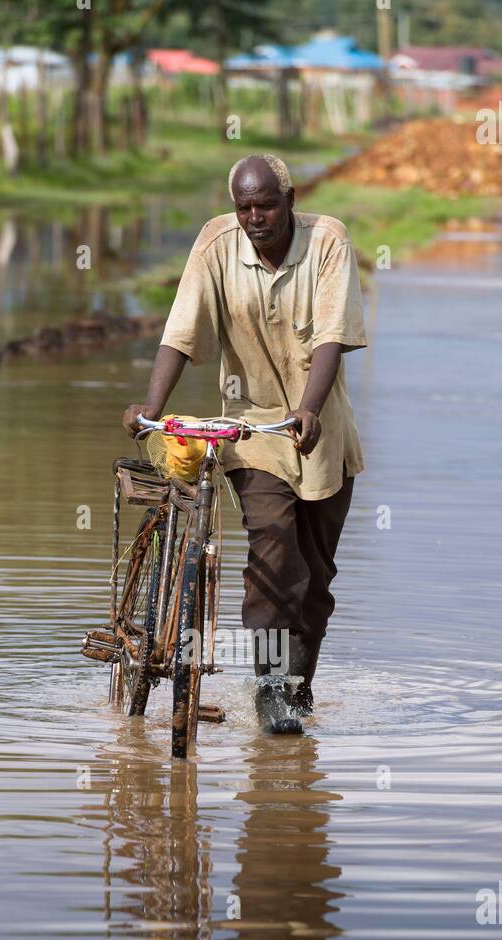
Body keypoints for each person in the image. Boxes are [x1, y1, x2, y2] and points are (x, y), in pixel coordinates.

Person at [123, 152, 366, 734]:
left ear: (290, 200)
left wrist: (308, 408)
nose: (255, 217)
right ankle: (268, 690)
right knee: (274, 551)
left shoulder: (328, 241)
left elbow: (332, 336)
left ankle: (297, 689)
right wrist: (150, 407)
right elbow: (180, 330)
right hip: (253, 430)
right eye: (244, 207)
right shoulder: (215, 244)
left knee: (316, 576)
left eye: (266, 205)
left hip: (319, 427)